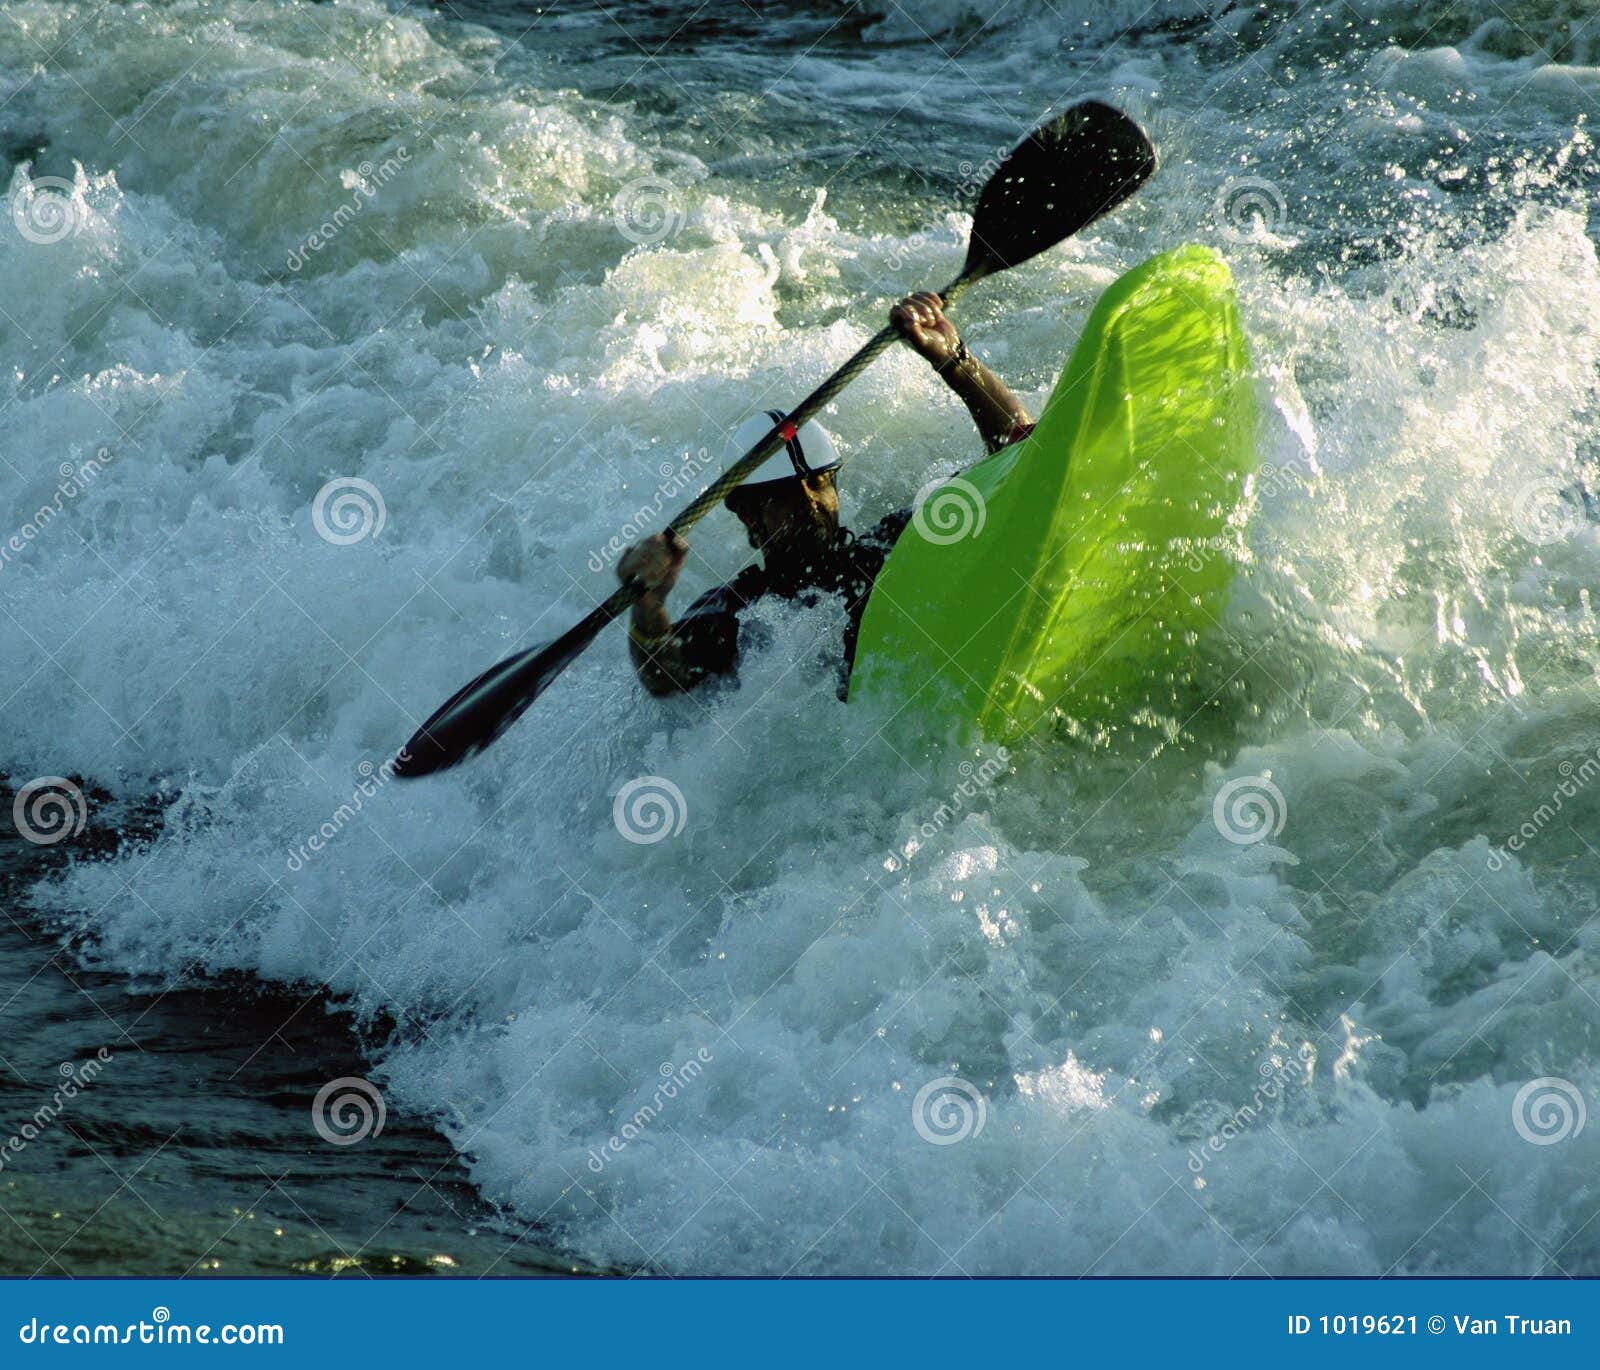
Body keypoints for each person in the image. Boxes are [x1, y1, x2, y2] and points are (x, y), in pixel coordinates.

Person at [617, 293, 1035, 697]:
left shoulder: (896, 544)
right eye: (784, 495)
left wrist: (953, 360)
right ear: (747, 515)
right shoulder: (735, 612)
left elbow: (1020, 457)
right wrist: (649, 607)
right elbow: (665, 677)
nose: (812, 501)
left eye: (819, 482)